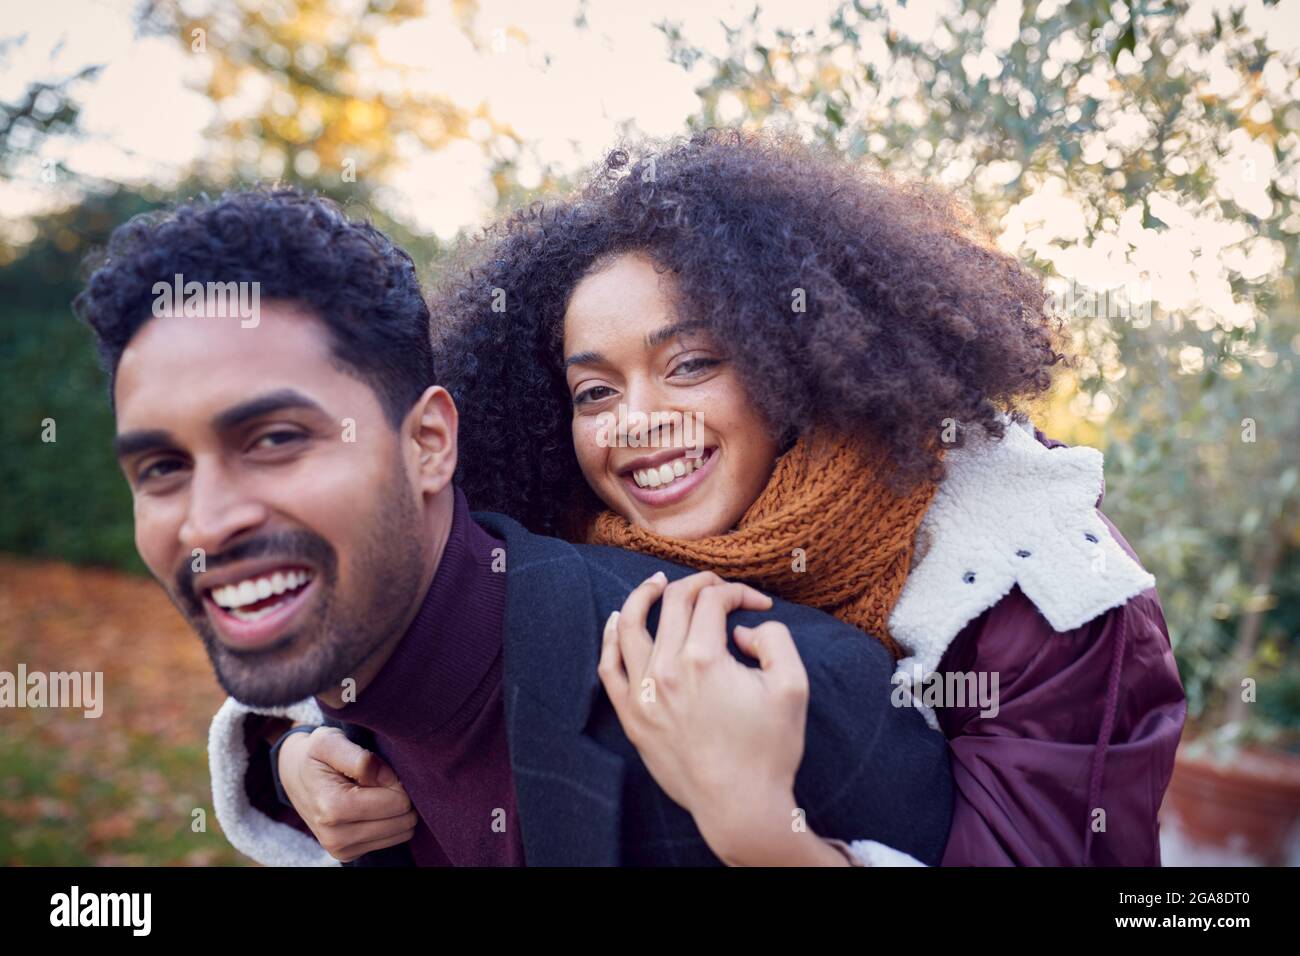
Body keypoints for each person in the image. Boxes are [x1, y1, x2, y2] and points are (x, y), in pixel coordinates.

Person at [259, 130, 1186, 866]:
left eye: (692, 364)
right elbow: (420, 606)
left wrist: (760, 831)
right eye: (596, 392)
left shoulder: (1031, 578)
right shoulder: (568, 533)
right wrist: (290, 756)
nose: (639, 424)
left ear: (790, 361)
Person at [74, 185, 954, 867]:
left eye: (275, 440)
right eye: (161, 468)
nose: (209, 521)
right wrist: (277, 758)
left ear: (429, 444)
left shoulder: (781, 683)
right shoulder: (339, 700)